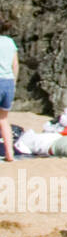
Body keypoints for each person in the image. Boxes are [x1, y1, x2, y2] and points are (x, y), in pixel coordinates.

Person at [0, 14, 16, 162]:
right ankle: (9, 153)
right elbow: (15, 65)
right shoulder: (10, 42)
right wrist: (14, 83)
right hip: (9, 82)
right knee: (4, 119)